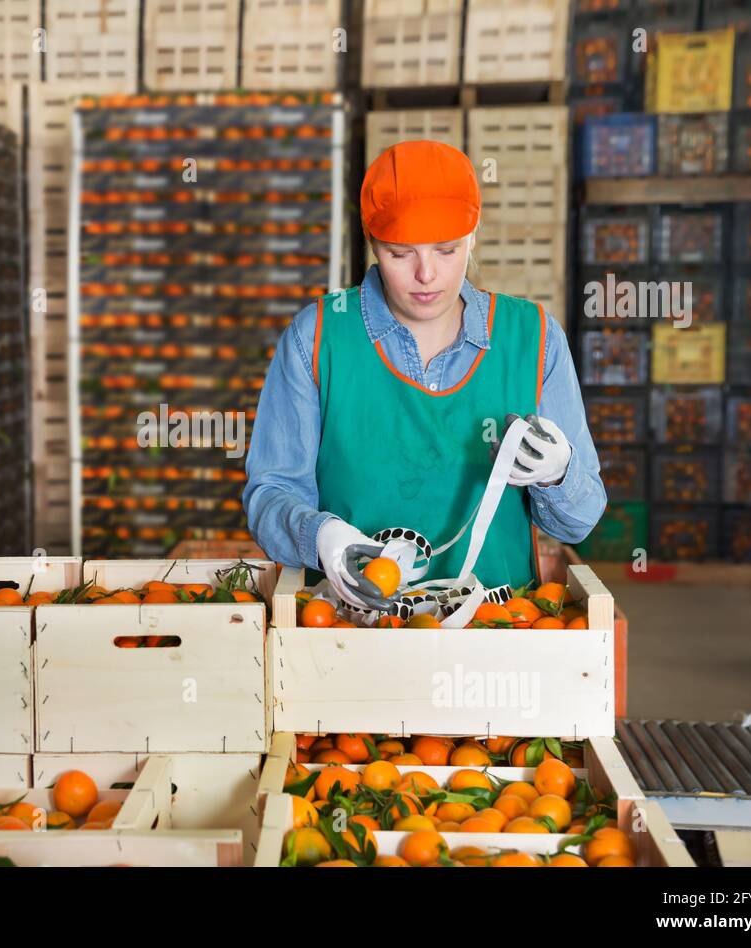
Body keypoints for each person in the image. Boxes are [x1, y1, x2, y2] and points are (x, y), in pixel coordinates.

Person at [243, 140, 606, 611]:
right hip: (347, 630)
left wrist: (558, 475)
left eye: (447, 249)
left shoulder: (533, 338)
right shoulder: (317, 337)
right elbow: (271, 492)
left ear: (473, 234)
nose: (426, 275)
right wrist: (321, 536)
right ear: (372, 242)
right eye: (399, 254)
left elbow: (577, 524)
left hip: (498, 630)